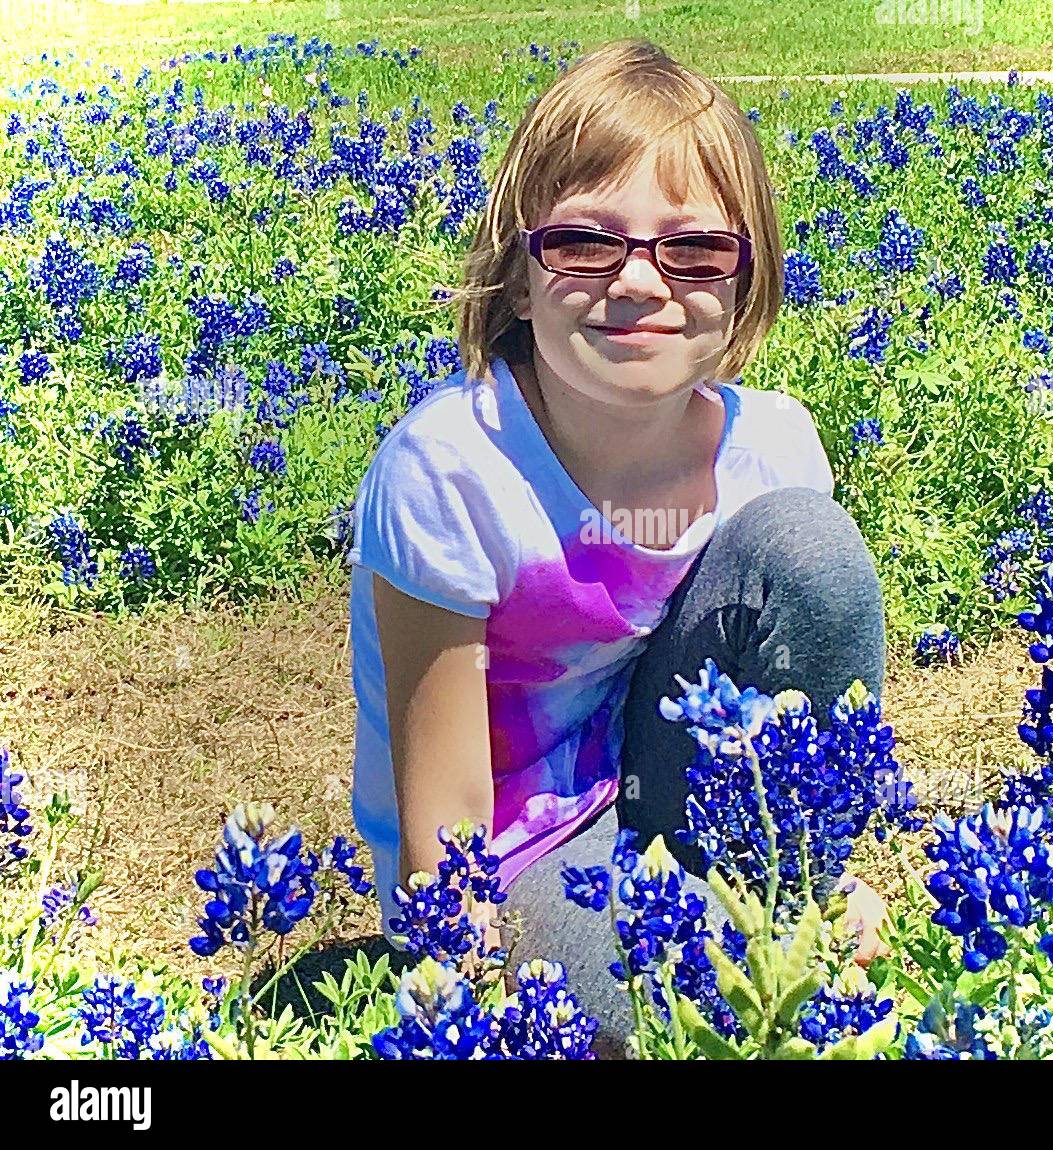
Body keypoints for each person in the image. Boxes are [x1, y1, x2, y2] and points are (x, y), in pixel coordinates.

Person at [346, 37, 888, 1056]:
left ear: (744, 281)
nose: (638, 280)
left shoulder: (774, 443)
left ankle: (798, 874)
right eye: (585, 243)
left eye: (691, 249)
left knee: (809, 550)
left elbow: (805, 637)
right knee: (692, 1020)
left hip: (673, 778)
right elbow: (445, 831)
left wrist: (818, 886)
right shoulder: (449, 472)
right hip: (520, 854)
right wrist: (467, 987)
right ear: (516, 276)